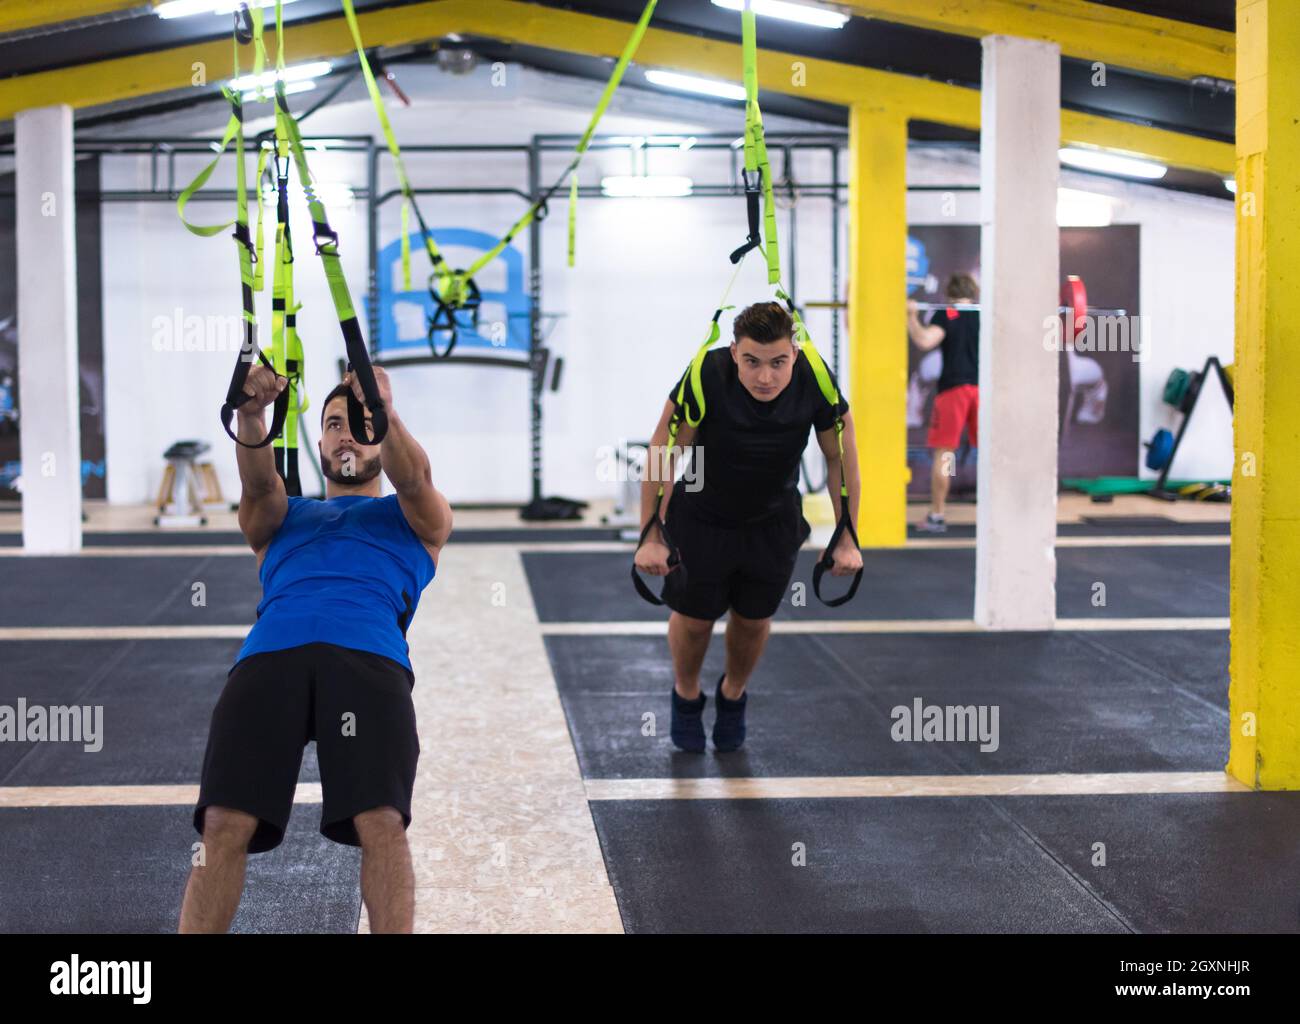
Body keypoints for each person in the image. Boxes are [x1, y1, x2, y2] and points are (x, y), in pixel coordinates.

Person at [179, 365, 452, 934]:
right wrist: (252, 415)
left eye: (358, 423)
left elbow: (416, 476)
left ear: (380, 432)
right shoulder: (283, 517)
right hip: (269, 661)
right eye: (333, 424)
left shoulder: (413, 516)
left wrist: (387, 412)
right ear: (319, 440)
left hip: (366, 661)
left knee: (380, 821)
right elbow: (259, 485)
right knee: (225, 823)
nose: (346, 433)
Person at [633, 301, 862, 753]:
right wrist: (651, 532)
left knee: (753, 621)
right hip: (701, 519)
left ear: (793, 355)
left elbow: (841, 453)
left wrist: (847, 533)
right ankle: (686, 694)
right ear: (734, 351)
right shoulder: (706, 373)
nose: (764, 377)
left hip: (771, 522)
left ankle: (733, 694)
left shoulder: (815, 378)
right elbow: (664, 450)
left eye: (777, 363)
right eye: (752, 362)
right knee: (696, 621)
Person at [907, 273, 980, 534]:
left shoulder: (947, 313)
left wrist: (911, 317)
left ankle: (937, 515)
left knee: (945, 454)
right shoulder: (984, 314)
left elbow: (925, 340)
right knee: (992, 455)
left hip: (954, 393)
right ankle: (1002, 517)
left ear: (949, 293)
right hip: (982, 393)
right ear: (974, 291)